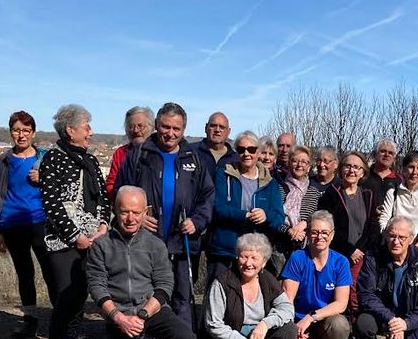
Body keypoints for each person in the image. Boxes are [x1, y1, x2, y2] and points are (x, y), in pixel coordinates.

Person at [86, 186, 196, 339]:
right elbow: (97, 287)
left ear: (146, 212)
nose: (130, 218)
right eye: (124, 211)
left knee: (185, 337)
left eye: (136, 213)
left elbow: (165, 284)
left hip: (149, 309)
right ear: (116, 210)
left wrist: (144, 315)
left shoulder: (155, 245)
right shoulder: (101, 245)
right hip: (120, 314)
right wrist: (119, 318)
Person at [114, 102, 214, 324]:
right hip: (145, 239)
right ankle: (143, 337)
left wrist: (196, 222)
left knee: (181, 293)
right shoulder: (139, 155)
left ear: (183, 130)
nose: (170, 133)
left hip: (181, 240)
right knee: (144, 292)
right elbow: (120, 192)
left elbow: (207, 197)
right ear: (157, 126)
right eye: (166, 127)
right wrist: (136, 217)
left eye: (176, 129)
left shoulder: (194, 158)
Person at [37, 104, 111, 339]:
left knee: (80, 297)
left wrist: (103, 225)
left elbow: (103, 198)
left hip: (92, 241)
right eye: (86, 127)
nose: (90, 132)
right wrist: (75, 237)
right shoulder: (52, 160)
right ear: (71, 130)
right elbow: (52, 205)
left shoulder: (90, 161)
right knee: (66, 299)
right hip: (63, 243)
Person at [200, 233, 303, 339]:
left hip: (256, 336)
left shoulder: (267, 279)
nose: (248, 263)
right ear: (237, 257)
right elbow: (214, 325)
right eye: (244, 257)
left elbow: (287, 308)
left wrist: (265, 324)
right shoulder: (223, 282)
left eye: (254, 258)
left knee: (289, 328)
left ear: (264, 262)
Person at [0, 110, 53, 338]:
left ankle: (61, 322)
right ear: (11, 133)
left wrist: (43, 177)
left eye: (26, 130)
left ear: (33, 133)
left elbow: (58, 188)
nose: (21, 135)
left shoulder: (44, 158)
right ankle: (30, 320)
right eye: (17, 130)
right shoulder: (4, 161)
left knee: (50, 271)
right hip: (12, 224)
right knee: (24, 273)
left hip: (39, 222)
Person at [280, 210, 352, 339]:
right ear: (308, 234)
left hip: (321, 323)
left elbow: (341, 303)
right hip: (297, 325)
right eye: (314, 232)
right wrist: (293, 334)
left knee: (340, 323)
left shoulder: (341, 262)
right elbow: (286, 301)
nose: (319, 236)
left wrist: (311, 317)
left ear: (332, 235)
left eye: (324, 232)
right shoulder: (297, 258)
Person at [209, 131, 286, 279]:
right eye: (241, 149)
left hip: (255, 254)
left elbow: (278, 218)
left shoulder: (270, 183)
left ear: (258, 153)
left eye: (251, 149)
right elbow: (218, 208)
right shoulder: (224, 175)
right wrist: (244, 215)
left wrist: (266, 216)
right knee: (217, 296)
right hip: (226, 249)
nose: (246, 154)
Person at [317, 151, 379, 317]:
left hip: (361, 253)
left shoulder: (368, 195)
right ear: (341, 169)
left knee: (355, 288)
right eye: (348, 166)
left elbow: (373, 226)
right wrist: (349, 250)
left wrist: (359, 249)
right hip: (338, 252)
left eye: (357, 167)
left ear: (363, 172)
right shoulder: (331, 194)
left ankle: (355, 323)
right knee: (338, 288)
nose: (352, 170)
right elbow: (326, 227)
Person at [273, 145, 323, 272]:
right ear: (289, 164)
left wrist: (305, 224)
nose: (299, 165)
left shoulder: (314, 192)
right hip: (279, 245)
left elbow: (317, 216)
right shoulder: (278, 187)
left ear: (309, 167)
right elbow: (274, 215)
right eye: (295, 161)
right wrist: (289, 230)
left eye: (304, 162)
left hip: (304, 246)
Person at [377, 150, 418, 250]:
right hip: (394, 246)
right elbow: (384, 220)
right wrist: (393, 240)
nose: (414, 172)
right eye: (411, 167)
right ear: (404, 169)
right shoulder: (393, 193)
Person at [105, 106, 154, 199]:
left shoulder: (160, 153)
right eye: (131, 127)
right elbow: (111, 183)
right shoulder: (121, 153)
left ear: (151, 128)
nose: (135, 130)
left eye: (140, 126)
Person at [189, 111, 237, 178]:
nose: (217, 130)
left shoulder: (236, 159)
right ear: (206, 128)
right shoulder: (190, 152)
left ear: (228, 131)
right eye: (213, 126)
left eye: (222, 127)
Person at [362, 138, 401, 209]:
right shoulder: (363, 176)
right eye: (383, 151)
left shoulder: (400, 181)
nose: (387, 155)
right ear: (374, 154)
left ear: (394, 158)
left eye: (390, 153)